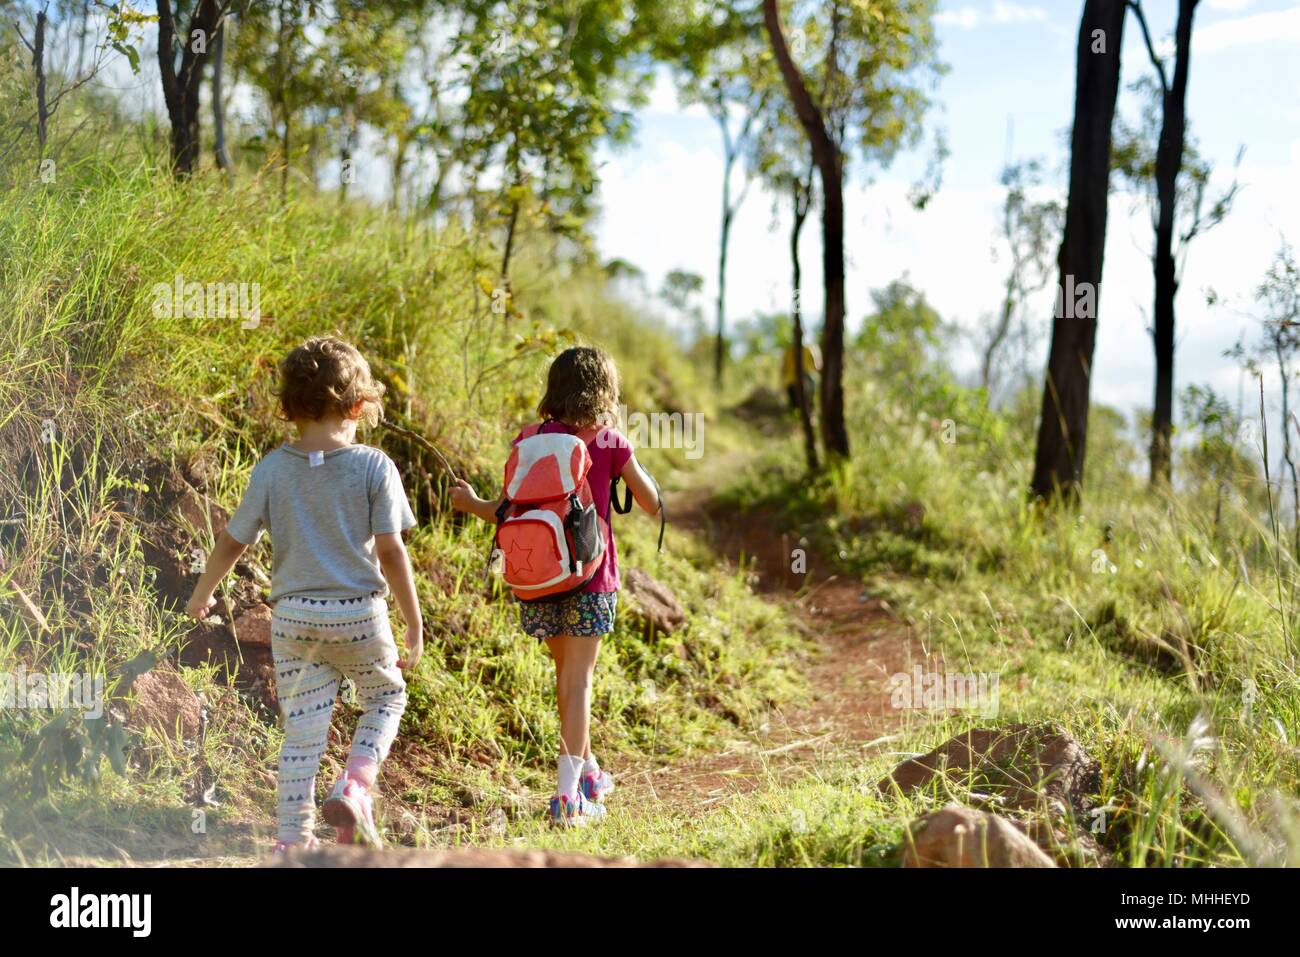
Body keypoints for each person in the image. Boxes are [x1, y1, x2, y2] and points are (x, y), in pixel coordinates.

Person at [185, 336, 422, 851]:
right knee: (385, 696)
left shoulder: (272, 468)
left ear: (289, 406)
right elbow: (391, 552)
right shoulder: (374, 465)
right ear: (359, 405)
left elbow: (232, 540)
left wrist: (203, 592)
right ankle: (356, 788)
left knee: (303, 735)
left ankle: (293, 842)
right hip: (360, 614)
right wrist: (413, 623)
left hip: (292, 618)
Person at [450, 346, 661, 827]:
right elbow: (650, 503)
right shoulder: (607, 441)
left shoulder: (530, 438)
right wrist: (628, 456)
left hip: (537, 577)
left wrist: (469, 502)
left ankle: (588, 773)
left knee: (565, 677)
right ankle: (568, 799)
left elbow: (504, 509)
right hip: (590, 578)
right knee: (578, 682)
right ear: (603, 391)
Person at [782, 339, 821, 411]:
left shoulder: (788, 350)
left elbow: (784, 369)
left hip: (791, 382)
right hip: (797, 382)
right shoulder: (808, 349)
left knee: (796, 408)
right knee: (804, 406)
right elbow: (817, 366)